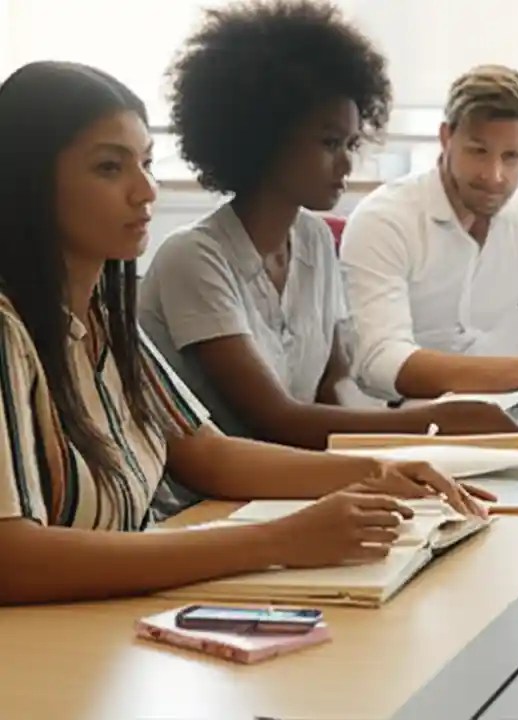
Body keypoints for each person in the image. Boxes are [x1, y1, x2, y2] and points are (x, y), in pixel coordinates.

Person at [0, 60, 491, 605]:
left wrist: (378, 471)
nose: (145, 191)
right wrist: (278, 540)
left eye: (145, 163)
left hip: (106, 621)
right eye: (109, 169)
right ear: (29, 182)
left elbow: (206, 453)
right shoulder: (8, 331)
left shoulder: (104, 317)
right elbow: (11, 558)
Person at [139, 0, 518, 459]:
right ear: (264, 137)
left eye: (352, 143)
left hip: (292, 482)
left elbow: (332, 388)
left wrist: (400, 449)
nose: (346, 162)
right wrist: (433, 421)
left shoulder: (316, 240)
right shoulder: (194, 260)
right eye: (329, 143)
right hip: (206, 502)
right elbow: (275, 419)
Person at [339, 64, 518, 401]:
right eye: (478, 151)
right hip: (397, 423)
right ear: (446, 137)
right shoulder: (385, 220)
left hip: (498, 414)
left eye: (511, 157)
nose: (493, 176)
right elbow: (380, 362)